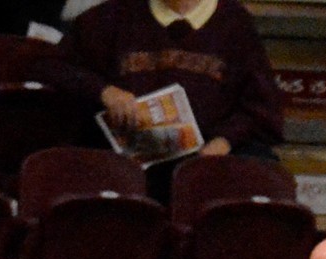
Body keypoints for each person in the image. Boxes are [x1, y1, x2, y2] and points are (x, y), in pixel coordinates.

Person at [39, 0, 282, 180]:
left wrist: (223, 143)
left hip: (206, 157)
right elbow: (52, 66)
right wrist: (105, 91)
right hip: (127, 160)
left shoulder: (235, 24)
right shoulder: (112, 17)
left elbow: (260, 108)